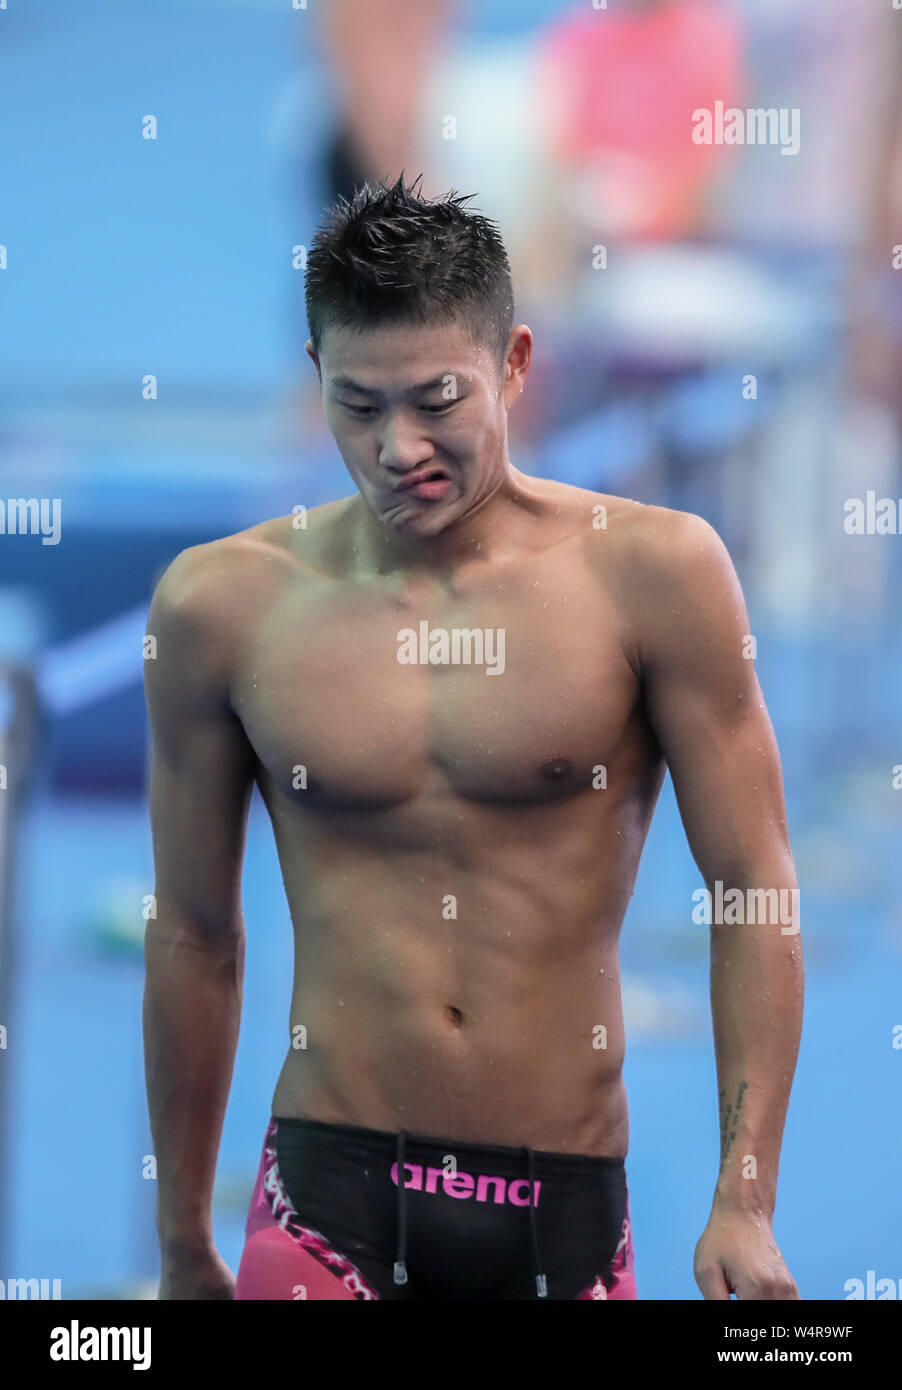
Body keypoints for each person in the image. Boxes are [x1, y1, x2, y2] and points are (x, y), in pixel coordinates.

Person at [143, 174, 803, 1301]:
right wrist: (178, 1246)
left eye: (436, 397)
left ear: (514, 365)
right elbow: (195, 935)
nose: (400, 445)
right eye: (359, 406)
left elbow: (751, 887)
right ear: (316, 382)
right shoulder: (222, 606)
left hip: (562, 1204)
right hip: (322, 1191)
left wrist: (742, 1198)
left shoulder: (652, 575)